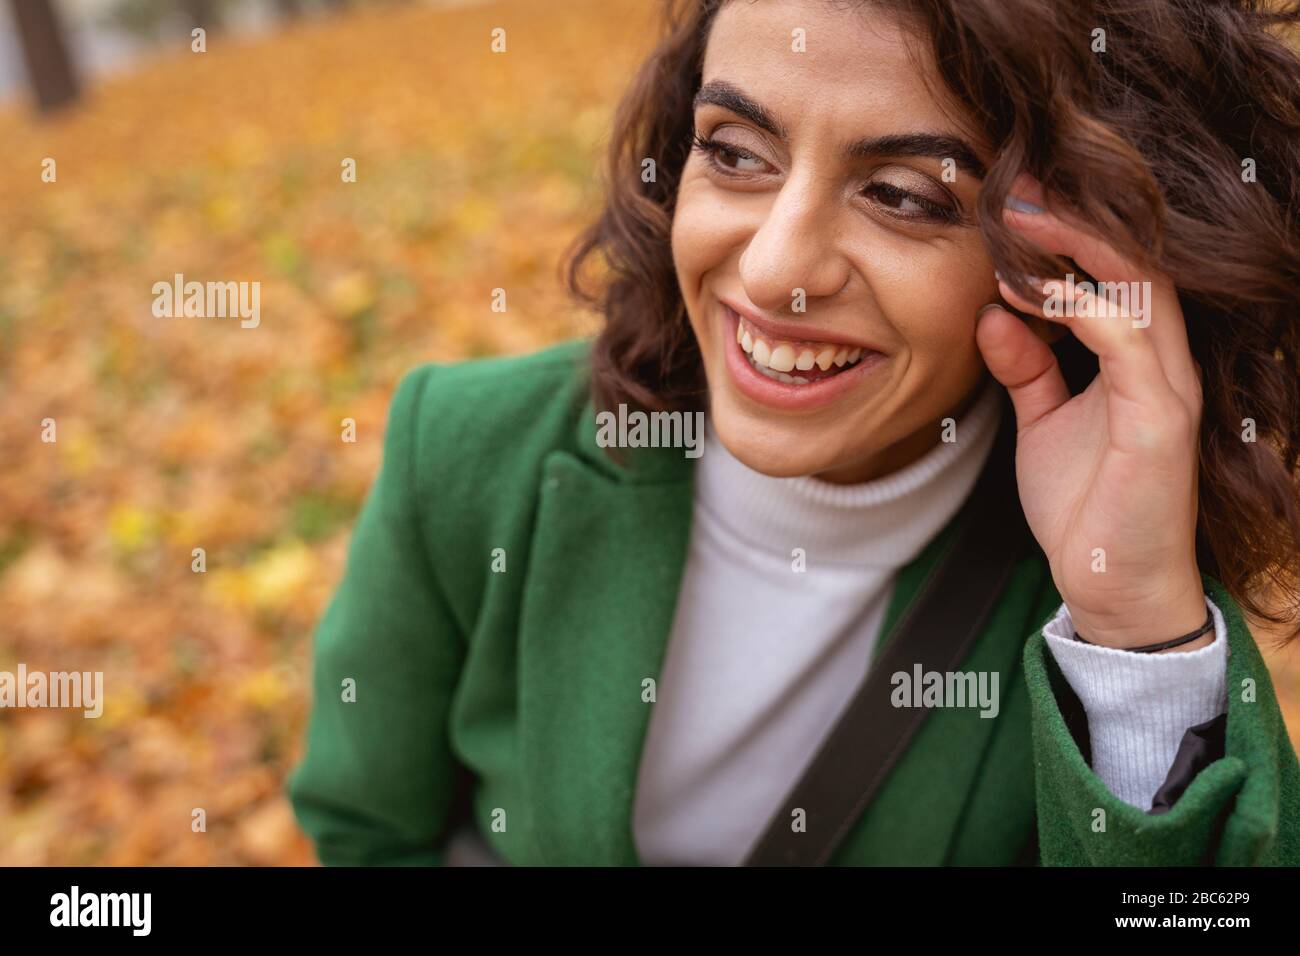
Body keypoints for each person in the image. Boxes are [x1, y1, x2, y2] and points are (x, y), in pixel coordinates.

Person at [288, 0, 1300, 865]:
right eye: (734, 154)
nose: (775, 269)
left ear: (1073, 260)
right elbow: (366, 828)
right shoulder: (468, 451)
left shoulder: (1108, 552)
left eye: (903, 196)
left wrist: (1131, 631)